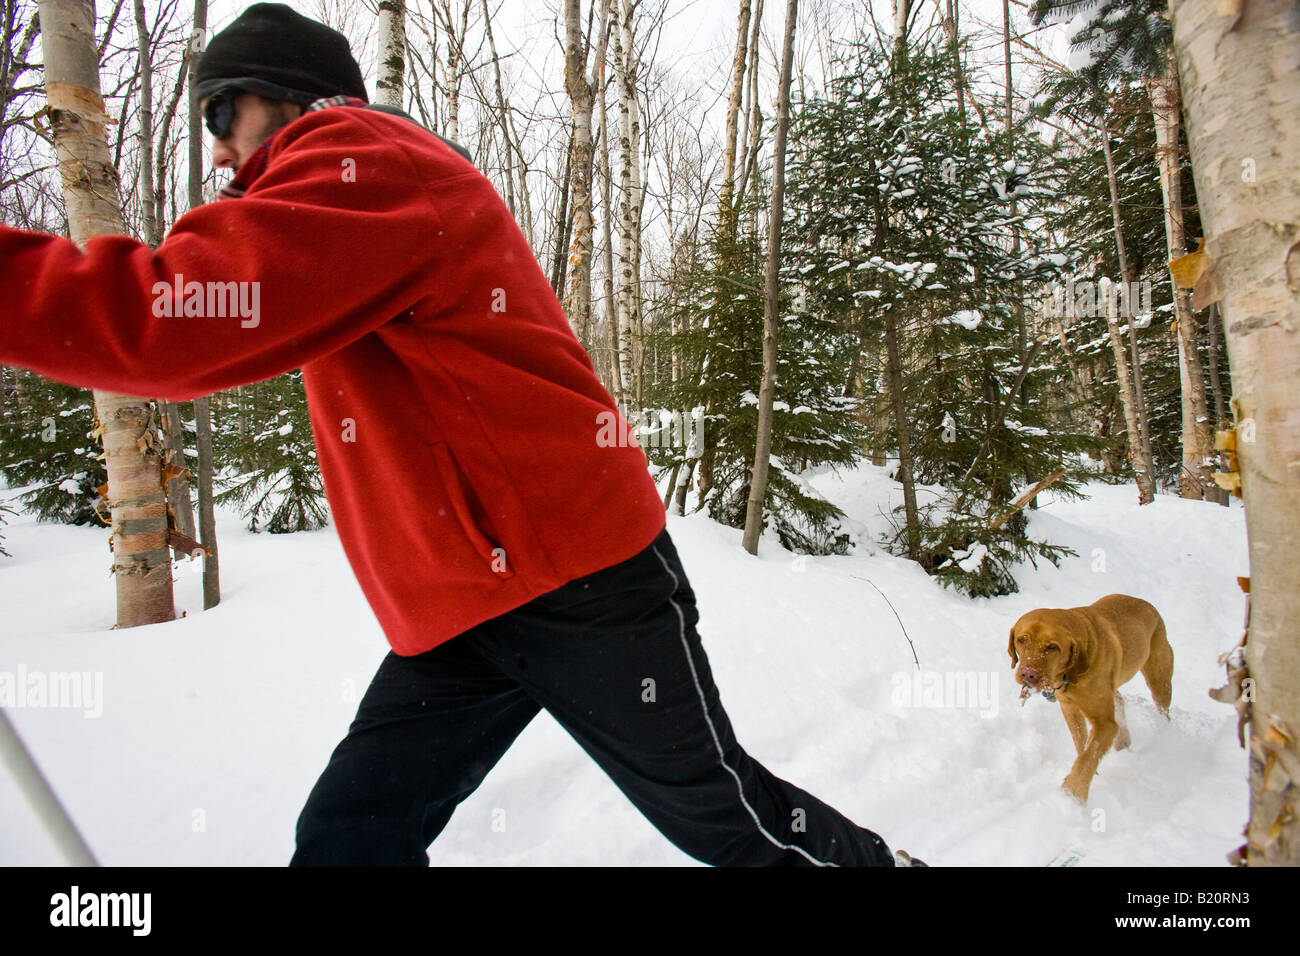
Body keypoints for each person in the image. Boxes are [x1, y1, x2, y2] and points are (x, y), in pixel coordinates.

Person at [1, 3, 921, 867]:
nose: (214, 153)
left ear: (279, 96)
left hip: (575, 578)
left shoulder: (358, 160)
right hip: (466, 607)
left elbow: (169, 321)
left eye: (217, 115)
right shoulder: (339, 184)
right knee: (351, 835)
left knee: (723, 813)